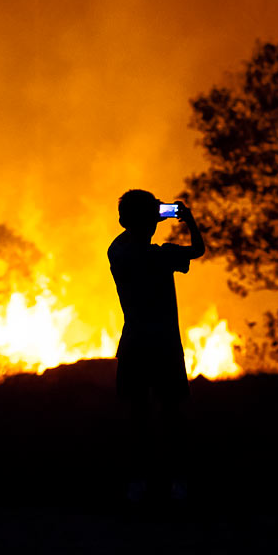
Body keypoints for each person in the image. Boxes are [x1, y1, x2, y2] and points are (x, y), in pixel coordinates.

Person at [108, 190, 206, 503]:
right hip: (165, 344)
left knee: (137, 415)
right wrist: (185, 219)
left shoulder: (118, 251)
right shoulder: (162, 255)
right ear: (153, 221)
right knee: (172, 414)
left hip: (135, 342)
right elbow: (198, 250)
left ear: (124, 220)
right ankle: (177, 483)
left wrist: (147, 216)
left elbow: (132, 232)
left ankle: (138, 482)